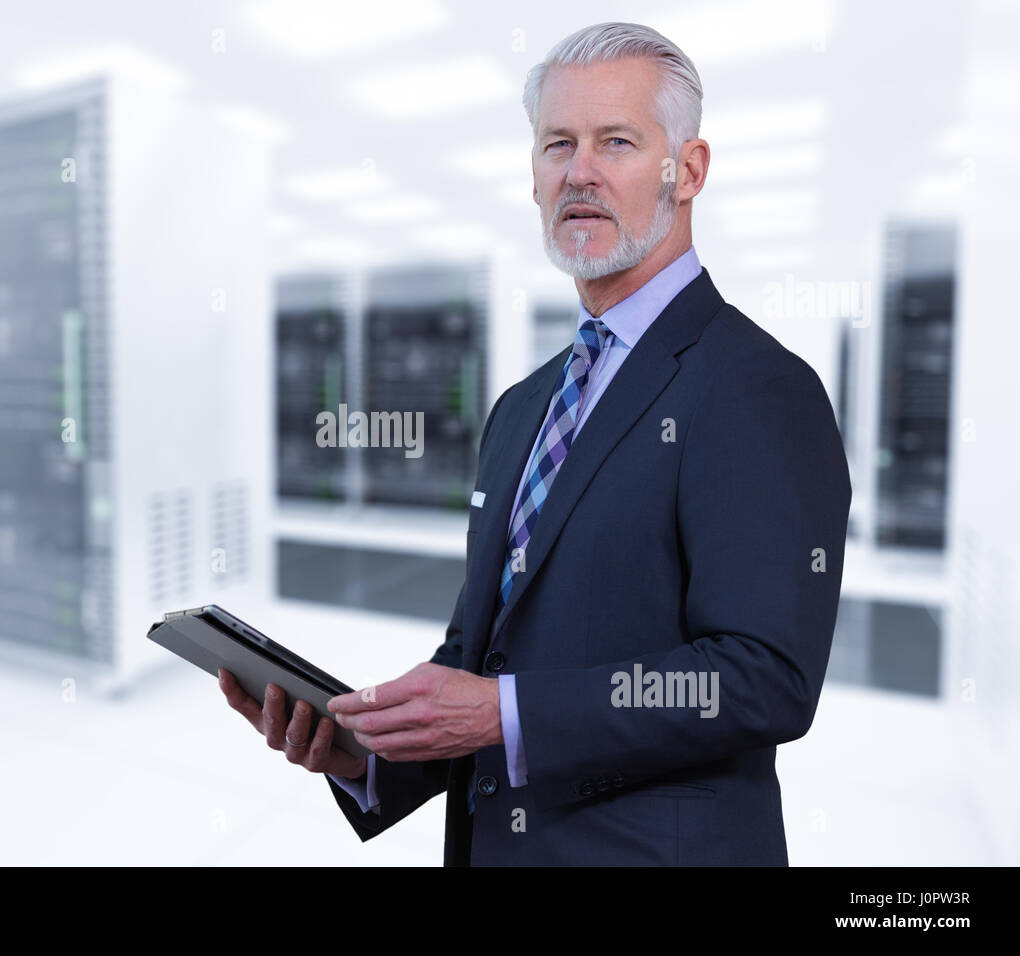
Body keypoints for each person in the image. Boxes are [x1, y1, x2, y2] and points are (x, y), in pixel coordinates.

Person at [219, 21, 851, 866]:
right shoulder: (523, 407)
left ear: (689, 170)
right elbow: (479, 663)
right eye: (557, 144)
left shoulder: (757, 387)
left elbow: (762, 677)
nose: (578, 171)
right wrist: (367, 755)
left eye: (616, 142)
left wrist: (507, 714)